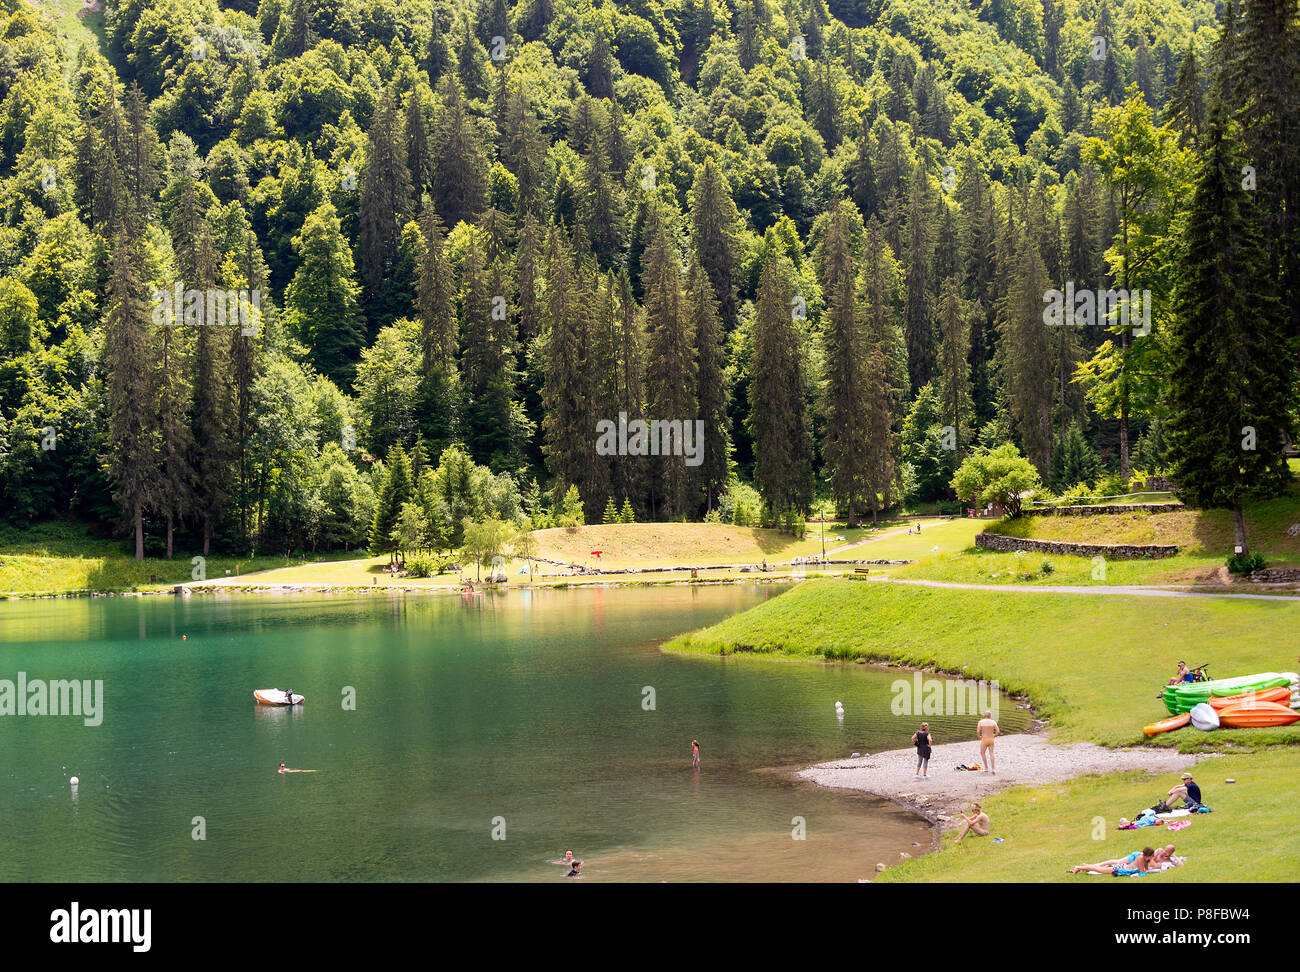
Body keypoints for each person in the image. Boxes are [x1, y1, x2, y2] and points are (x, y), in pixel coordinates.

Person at [1069, 847, 1156, 875]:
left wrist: (1149, 869)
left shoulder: (1146, 859)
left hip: (1125, 868)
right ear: (1147, 855)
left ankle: (1085, 866)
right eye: (1151, 856)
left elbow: (1146, 869)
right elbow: (1142, 872)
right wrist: (1151, 871)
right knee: (1101, 870)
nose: (1152, 858)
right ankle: (1079, 867)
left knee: (1100, 869)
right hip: (1122, 868)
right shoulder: (1140, 858)